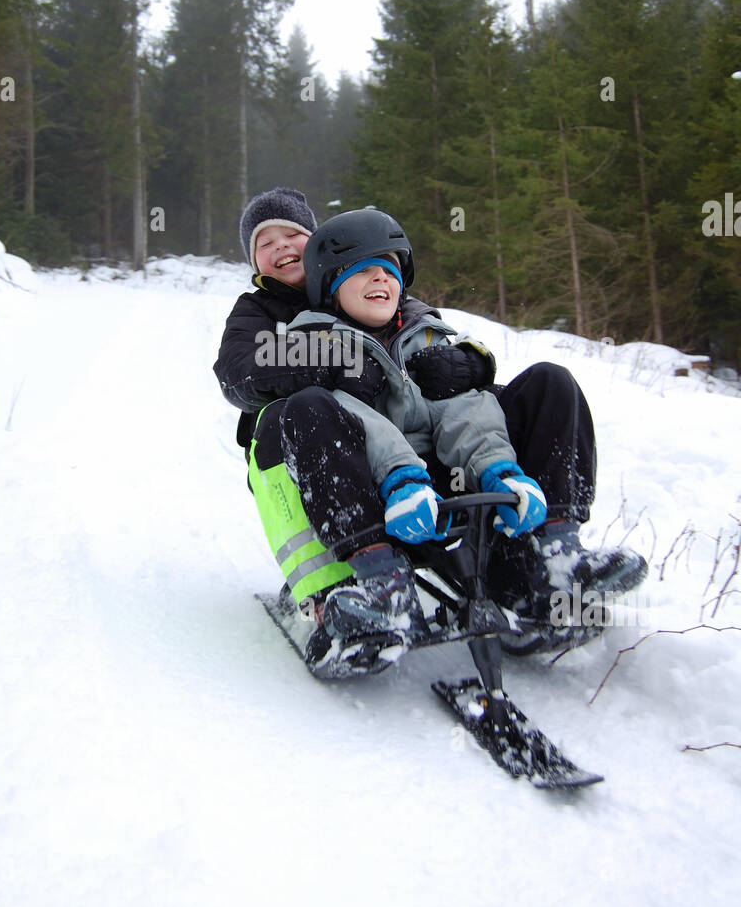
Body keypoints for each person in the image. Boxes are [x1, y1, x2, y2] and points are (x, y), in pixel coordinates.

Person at [216, 202, 647, 671]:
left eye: (291, 234)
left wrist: (471, 365)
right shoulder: (261, 313)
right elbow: (239, 370)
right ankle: (348, 590)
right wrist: (322, 364)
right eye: (265, 242)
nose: (280, 246)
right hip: (337, 459)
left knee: (550, 383)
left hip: (435, 459)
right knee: (300, 410)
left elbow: (456, 385)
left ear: (318, 244)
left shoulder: (402, 307)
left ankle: (547, 562)